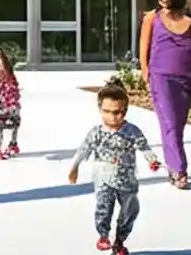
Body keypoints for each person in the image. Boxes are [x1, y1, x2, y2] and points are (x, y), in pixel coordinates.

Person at [68, 84, 161, 255]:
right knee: (104, 206)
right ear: (100, 109)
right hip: (103, 177)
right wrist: (74, 167)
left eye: (118, 112)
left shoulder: (131, 131)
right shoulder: (97, 132)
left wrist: (152, 160)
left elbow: (144, 147)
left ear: (125, 110)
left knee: (130, 210)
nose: (113, 117)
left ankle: (119, 241)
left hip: (127, 180)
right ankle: (103, 235)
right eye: (107, 111)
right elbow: (84, 149)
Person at [138, 0, 191, 190]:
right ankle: (179, 170)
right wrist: (145, 71)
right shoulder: (152, 18)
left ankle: (173, 166)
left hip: (187, 77)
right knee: (169, 124)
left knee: (178, 125)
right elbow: (144, 47)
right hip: (161, 76)